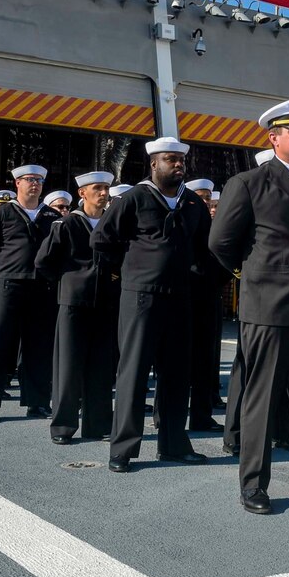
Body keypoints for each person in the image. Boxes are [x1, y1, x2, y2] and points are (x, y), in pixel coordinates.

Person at [209, 98, 289, 514]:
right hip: (269, 307)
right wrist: (251, 278)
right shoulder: (250, 182)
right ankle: (254, 484)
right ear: (274, 138)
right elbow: (221, 243)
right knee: (262, 401)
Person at [94, 139, 212, 471]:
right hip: (141, 298)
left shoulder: (191, 203)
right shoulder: (133, 198)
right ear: (153, 164)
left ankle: (173, 444)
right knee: (133, 372)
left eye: (181, 161)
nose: (178, 165)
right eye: (170, 160)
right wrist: (133, 270)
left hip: (180, 298)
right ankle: (123, 449)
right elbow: (102, 240)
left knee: (177, 374)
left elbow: (204, 246)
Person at [0, 164, 59, 423]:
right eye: (29, 179)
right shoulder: (2, 213)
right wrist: (3, 265)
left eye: (39, 180)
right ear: (17, 184)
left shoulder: (50, 216)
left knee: (39, 348)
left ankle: (38, 402)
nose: (35, 184)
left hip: (41, 288)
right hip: (8, 285)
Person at [37, 171, 120, 444]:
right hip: (74, 302)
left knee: (101, 367)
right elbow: (44, 262)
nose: (104, 193)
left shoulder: (113, 223)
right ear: (82, 193)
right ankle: (63, 426)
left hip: (105, 301)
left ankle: (98, 424)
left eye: (106, 188)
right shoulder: (67, 224)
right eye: (97, 188)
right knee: (68, 366)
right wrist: (67, 282)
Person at [184, 178, 228, 433]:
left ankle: (202, 414)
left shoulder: (217, 226)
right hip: (184, 293)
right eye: (201, 197)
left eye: (209, 198)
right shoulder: (181, 217)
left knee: (205, 358)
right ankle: (164, 416)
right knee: (175, 360)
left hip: (208, 294)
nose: (207, 203)